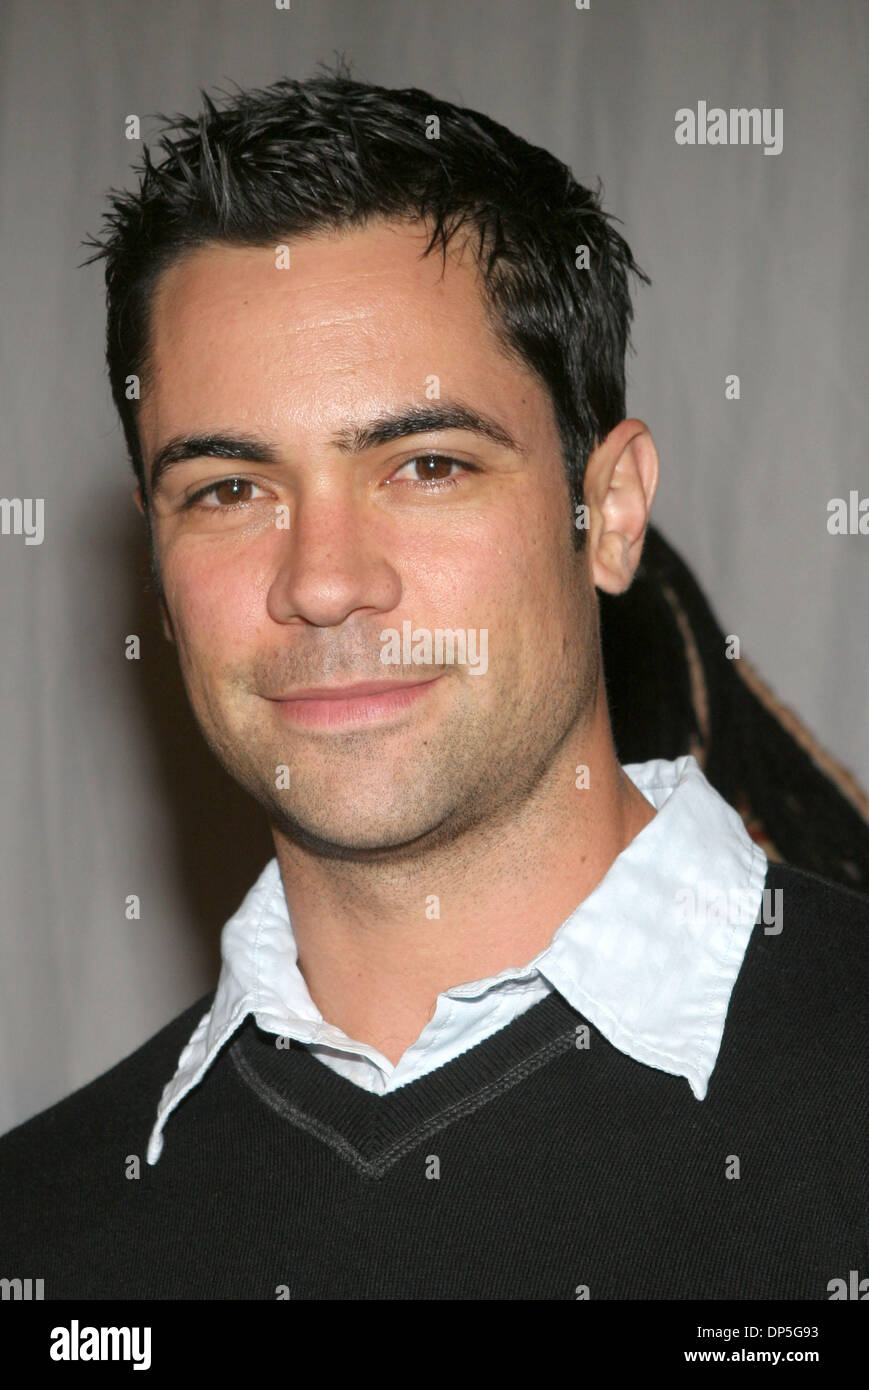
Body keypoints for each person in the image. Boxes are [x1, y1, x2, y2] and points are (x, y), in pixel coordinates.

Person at [1, 64, 866, 1301]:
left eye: (426, 466)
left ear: (609, 512)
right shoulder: (42, 1237)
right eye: (229, 490)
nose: (322, 580)